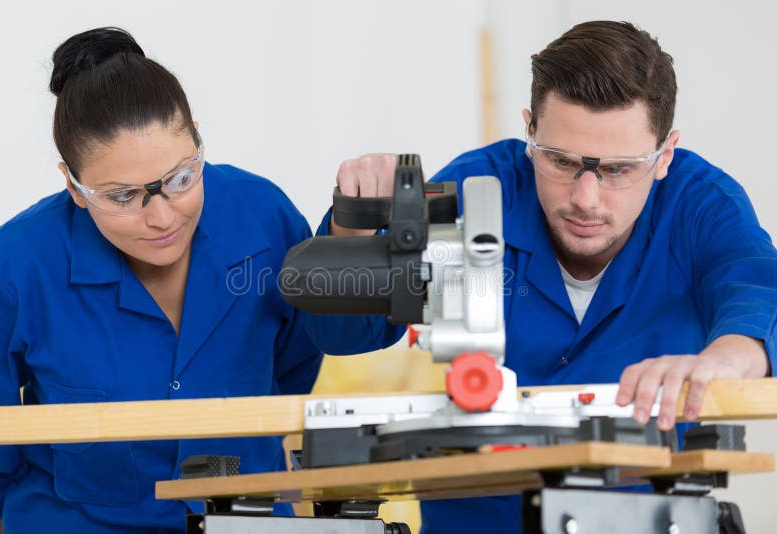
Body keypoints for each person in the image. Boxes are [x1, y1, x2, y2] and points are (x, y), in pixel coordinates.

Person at [327, 20, 777, 534]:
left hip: (647, 517)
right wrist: (353, 227)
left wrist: (728, 356)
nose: (586, 198)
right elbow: (342, 334)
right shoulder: (475, 188)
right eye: (561, 161)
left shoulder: (700, 206)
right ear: (530, 133)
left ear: (664, 155)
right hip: (478, 519)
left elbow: (757, 286)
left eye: (618, 169)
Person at [0, 27, 397, 533]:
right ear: (74, 185)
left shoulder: (261, 218)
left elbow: (304, 355)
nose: (160, 218)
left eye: (180, 179)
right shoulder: (11, 270)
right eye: (122, 196)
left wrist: (354, 236)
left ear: (197, 139)